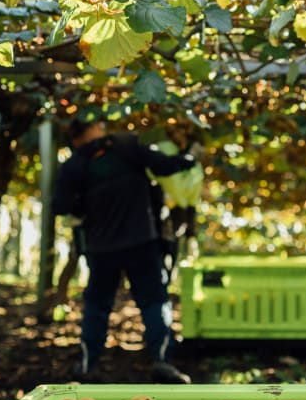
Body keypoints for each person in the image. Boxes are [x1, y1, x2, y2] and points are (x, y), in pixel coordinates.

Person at [51, 117, 199, 383]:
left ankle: (87, 365)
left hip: (101, 245)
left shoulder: (77, 163)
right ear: (96, 128)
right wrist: (189, 158)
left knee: (97, 304)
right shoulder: (126, 146)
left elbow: (60, 205)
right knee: (154, 300)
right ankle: (162, 360)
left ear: (75, 139)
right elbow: (164, 165)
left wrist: (82, 205)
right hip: (141, 239)